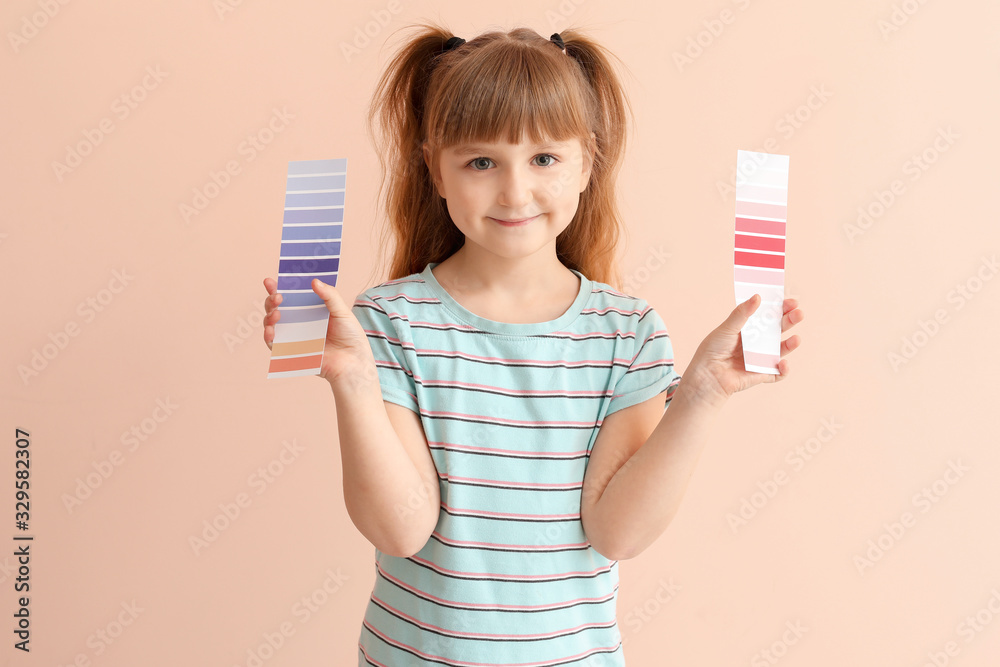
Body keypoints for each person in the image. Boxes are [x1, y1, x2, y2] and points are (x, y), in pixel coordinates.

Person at [262, 23, 803, 666]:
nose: (515, 192)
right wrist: (351, 381)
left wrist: (703, 395)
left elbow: (618, 534)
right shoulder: (386, 321)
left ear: (587, 164)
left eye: (544, 158)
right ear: (435, 167)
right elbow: (400, 529)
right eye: (481, 161)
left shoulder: (627, 332)